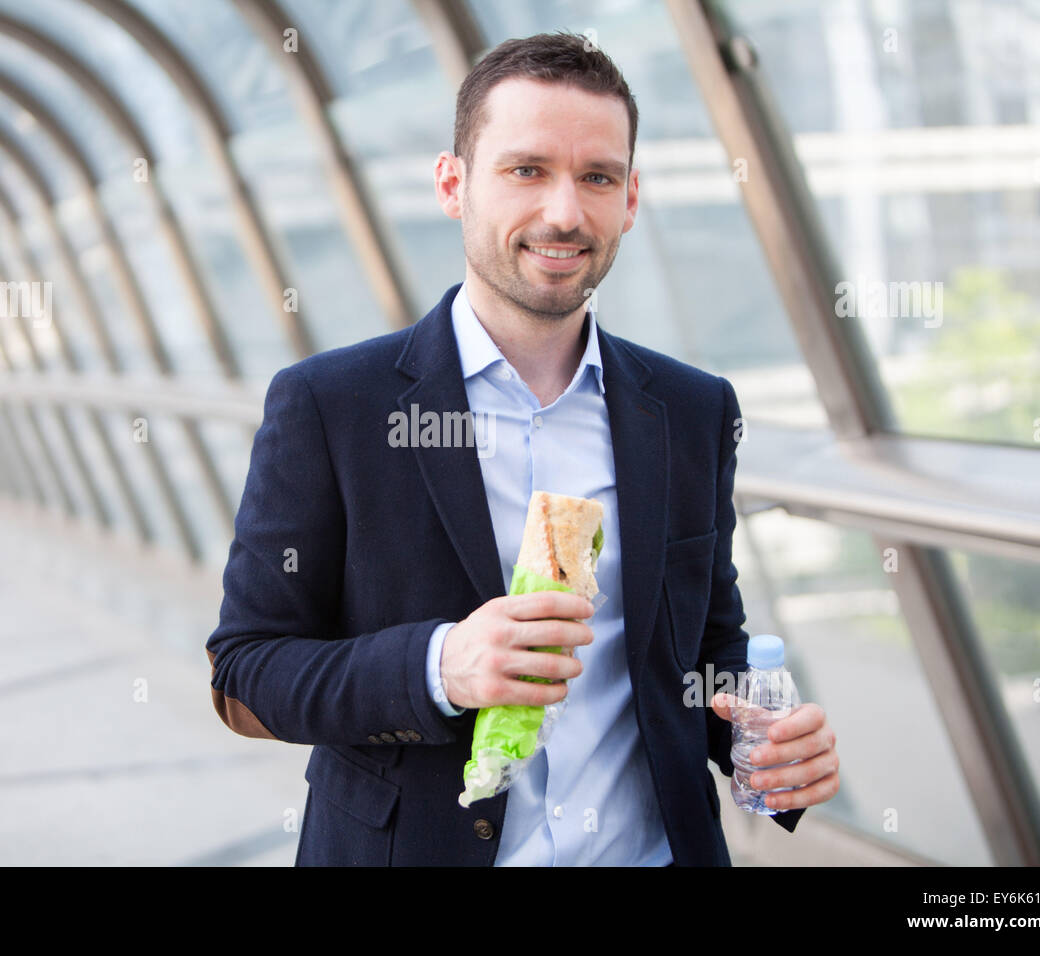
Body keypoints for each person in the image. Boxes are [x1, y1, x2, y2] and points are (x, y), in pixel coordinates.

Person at [206, 31, 839, 866]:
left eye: (597, 177)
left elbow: (703, 649)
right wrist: (441, 666)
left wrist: (766, 747)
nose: (565, 212)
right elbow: (246, 676)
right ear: (452, 183)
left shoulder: (691, 410)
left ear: (632, 197)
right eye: (526, 170)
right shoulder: (332, 406)